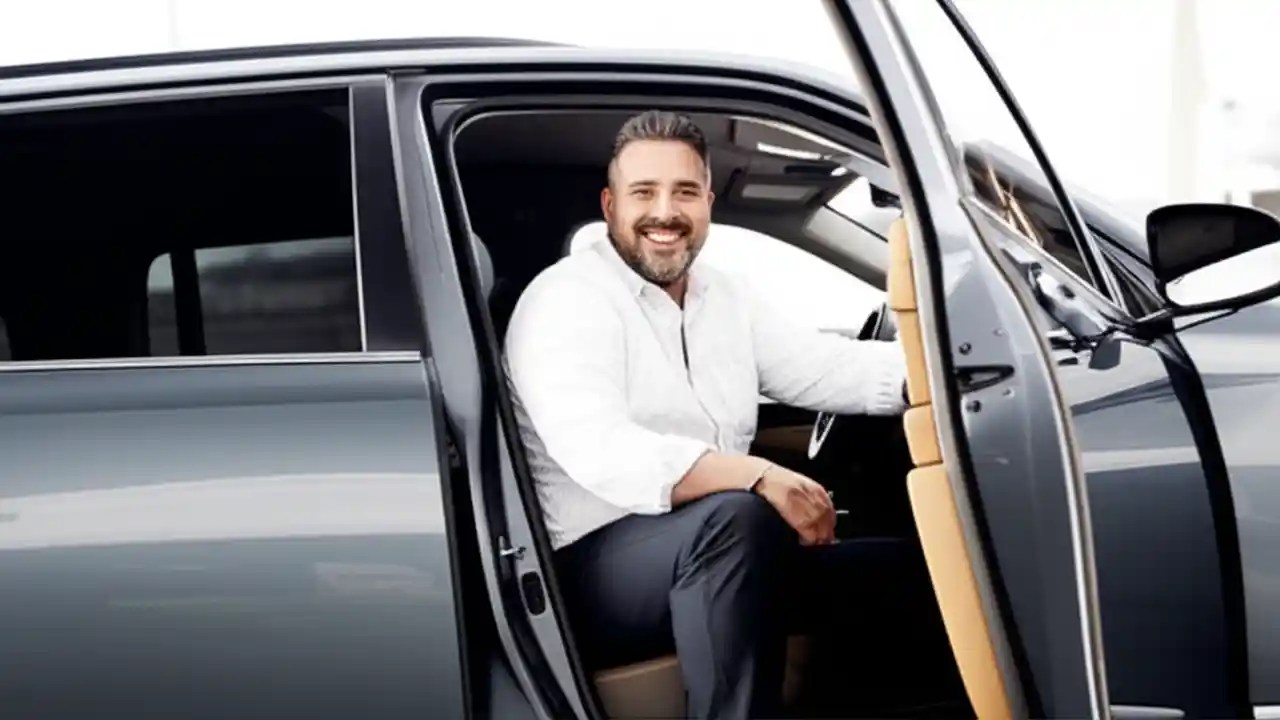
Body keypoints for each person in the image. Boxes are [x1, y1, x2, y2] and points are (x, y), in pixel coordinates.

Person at [503, 110, 958, 718]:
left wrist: (961, 365)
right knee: (736, 519)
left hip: (717, 550)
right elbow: (602, 451)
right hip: (593, 569)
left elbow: (820, 366)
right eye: (644, 192)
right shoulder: (565, 301)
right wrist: (758, 474)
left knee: (919, 572)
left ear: (708, 203)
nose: (665, 211)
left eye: (684, 191)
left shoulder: (724, 295)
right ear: (610, 205)